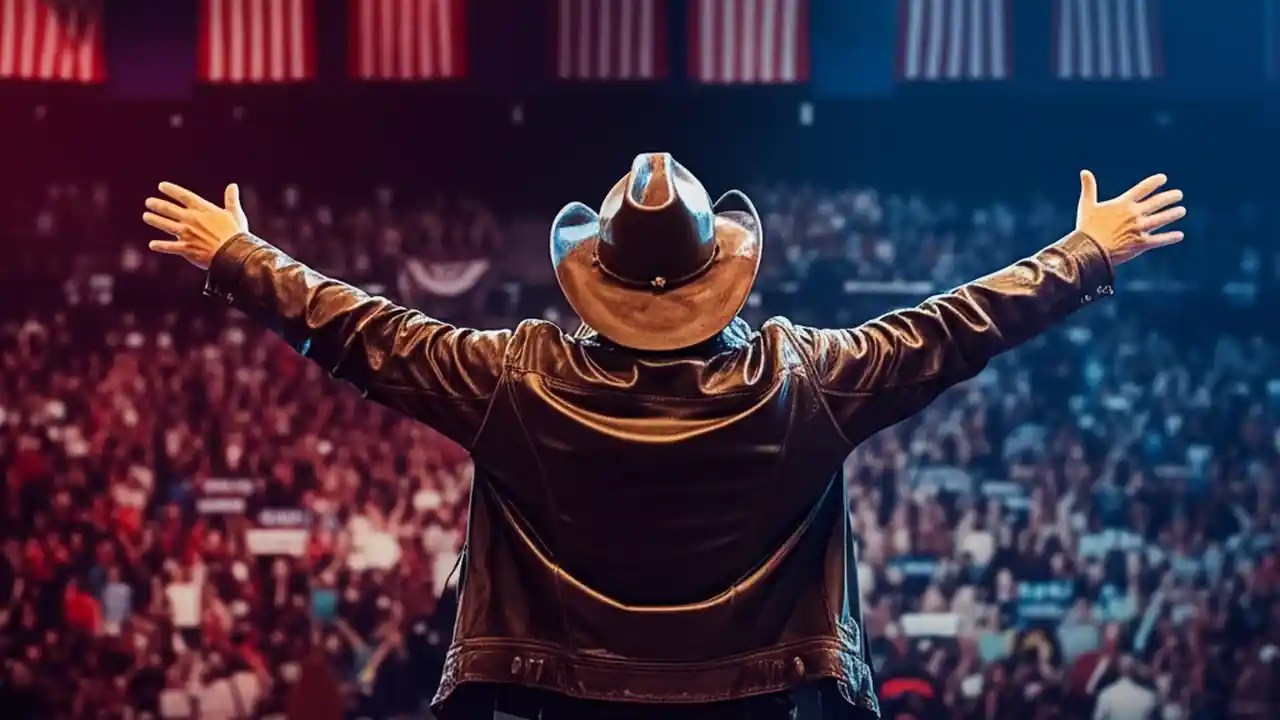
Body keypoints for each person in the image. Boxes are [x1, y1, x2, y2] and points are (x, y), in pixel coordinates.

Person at [141, 154, 1186, 720]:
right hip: (764, 705)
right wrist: (1082, 253)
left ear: (594, 280)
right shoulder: (802, 379)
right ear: (716, 273)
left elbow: (358, 331)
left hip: (554, 706)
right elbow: (955, 327)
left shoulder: (515, 379)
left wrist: (239, 255)